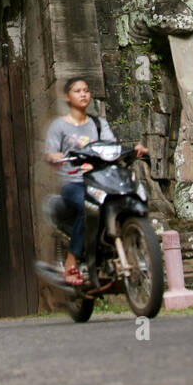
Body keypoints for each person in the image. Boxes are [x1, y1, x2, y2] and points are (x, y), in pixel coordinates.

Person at [45, 77, 148, 286]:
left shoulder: (99, 124)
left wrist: (132, 151)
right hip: (74, 181)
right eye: (77, 91)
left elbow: (111, 147)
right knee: (88, 207)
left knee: (127, 198)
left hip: (100, 178)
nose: (83, 94)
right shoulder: (59, 126)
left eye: (86, 90)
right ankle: (71, 261)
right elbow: (50, 152)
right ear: (67, 97)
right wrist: (54, 156)